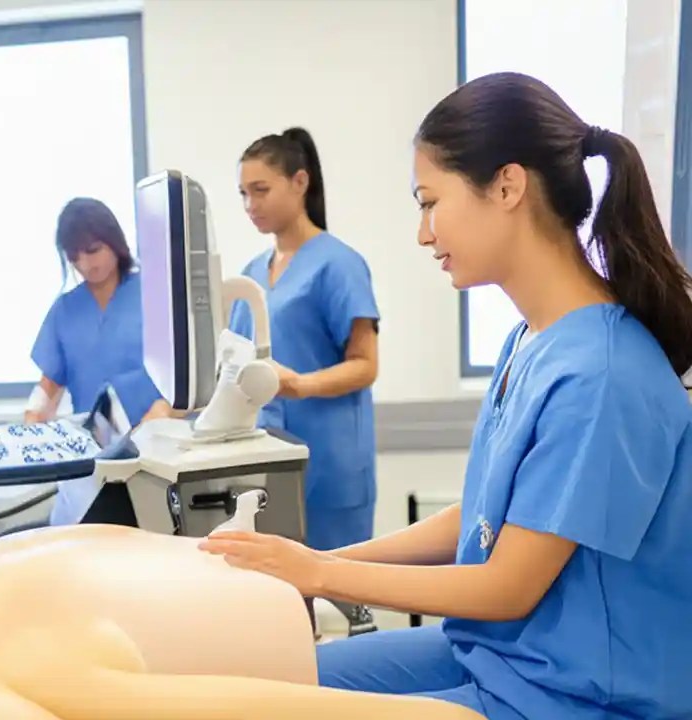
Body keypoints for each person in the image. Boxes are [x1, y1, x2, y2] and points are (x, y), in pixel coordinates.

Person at [200, 72, 692, 719]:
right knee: (262, 681)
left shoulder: (602, 373)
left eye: (430, 202)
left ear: (508, 186)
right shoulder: (532, 339)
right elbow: (481, 518)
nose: (423, 234)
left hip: (575, 695)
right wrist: (314, 559)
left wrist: (318, 576)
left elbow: (508, 586)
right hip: (498, 655)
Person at [226, 127, 380, 552]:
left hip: (330, 468)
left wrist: (299, 385)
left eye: (260, 190)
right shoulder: (252, 275)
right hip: (267, 463)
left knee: (338, 603)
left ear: (299, 182)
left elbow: (366, 364)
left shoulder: (339, 265)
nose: (249, 205)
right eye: (242, 193)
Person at [26, 197, 149, 525]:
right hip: (93, 456)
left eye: (93, 250)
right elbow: (49, 382)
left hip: (154, 447)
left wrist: (162, 415)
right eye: (74, 256)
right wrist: (31, 423)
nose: (85, 263)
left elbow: (185, 373)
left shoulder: (154, 295)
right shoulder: (66, 309)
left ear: (114, 241)